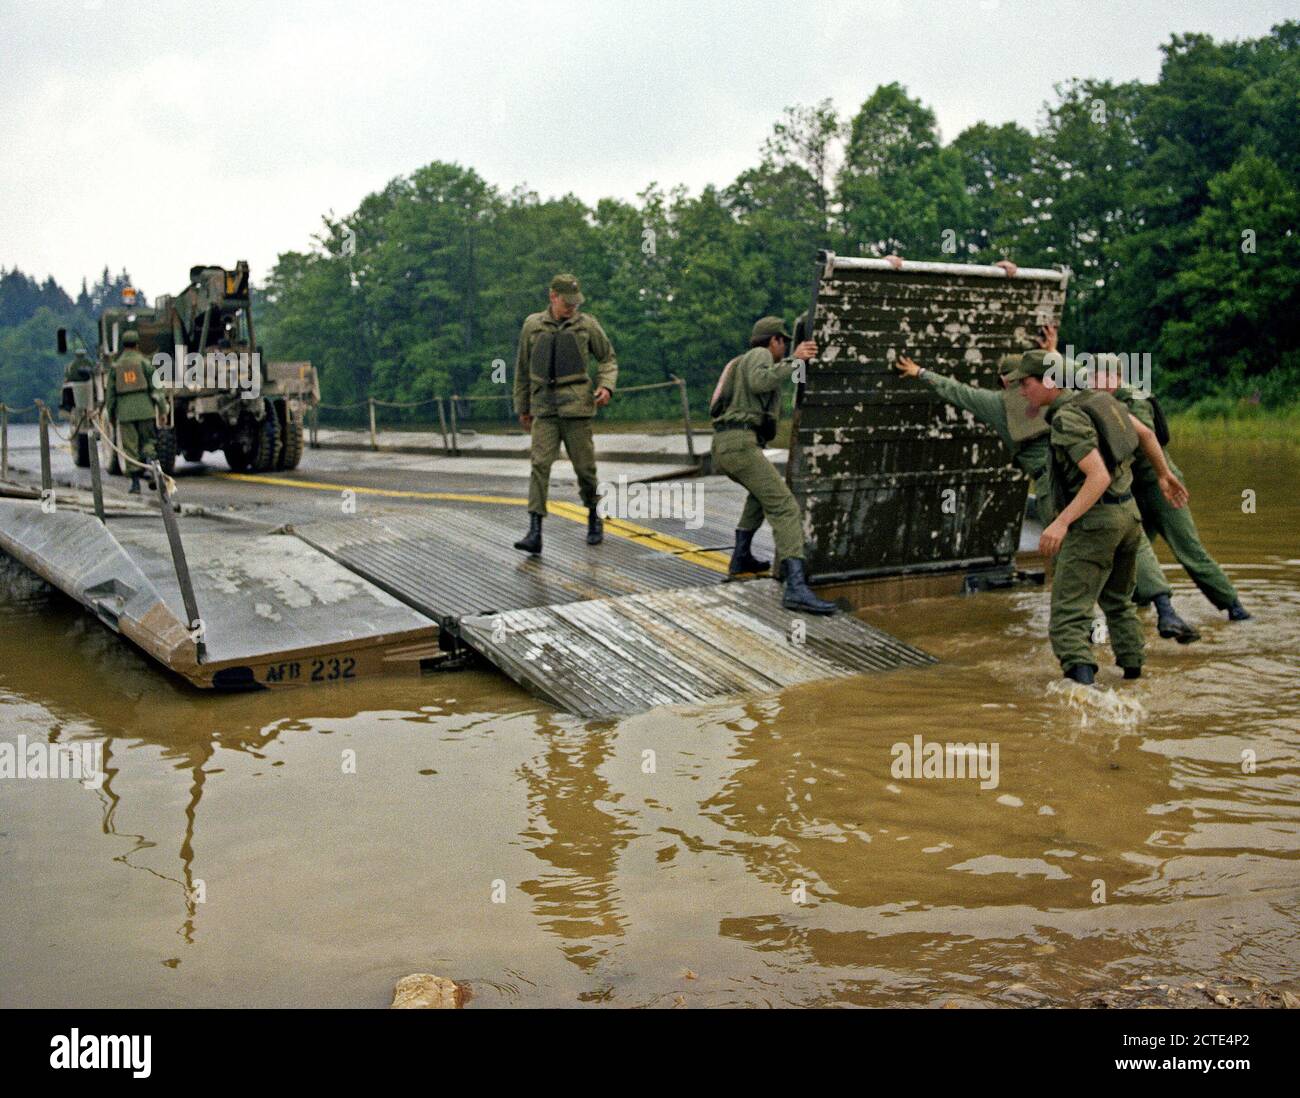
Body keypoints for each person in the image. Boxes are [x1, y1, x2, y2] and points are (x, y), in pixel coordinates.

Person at [894, 325, 1202, 643]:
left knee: (1068, 559)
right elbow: (1094, 385)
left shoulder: (1000, 406)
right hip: (1097, 476)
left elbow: (956, 392)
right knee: (1131, 543)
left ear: (1007, 381)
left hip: (1053, 488)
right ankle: (1165, 610)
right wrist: (1054, 350)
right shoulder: (1069, 394)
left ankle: (1081, 631)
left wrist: (920, 372)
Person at [1006, 351, 1188, 684]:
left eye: (1026, 383)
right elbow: (1147, 435)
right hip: (1128, 517)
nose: (1021, 392)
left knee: (1067, 617)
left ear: (1049, 381)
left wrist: (1061, 522)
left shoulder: (1068, 418)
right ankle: (1134, 678)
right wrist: (1163, 474)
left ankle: (1084, 696)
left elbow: (1098, 476)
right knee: (1119, 603)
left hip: (1095, 522)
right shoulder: (1102, 401)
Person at [1093, 364, 1251, 623]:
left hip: (1161, 486)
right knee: (1132, 549)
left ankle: (1234, 606)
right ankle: (1141, 602)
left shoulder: (1134, 400)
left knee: (1188, 548)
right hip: (1133, 488)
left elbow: (1139, 439)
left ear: (1114, 377)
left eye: (1095, 376)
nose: (1090, 383)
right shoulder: (1105, 399)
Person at [711, 316, 837, 615]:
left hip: (731, 444)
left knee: (759, 495)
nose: (785, 348)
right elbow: (760, 382)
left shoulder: (746, 361)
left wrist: (797, 364)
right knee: (784, 506)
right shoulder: (759, 355)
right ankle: (795, 587)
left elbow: (780, 380)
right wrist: (796, 359)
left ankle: (741, 557)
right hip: (739, 444)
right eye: (784, 343)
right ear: (774, 341)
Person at [511, 274, 617, 554]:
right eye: (566, 302)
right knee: (539, 465)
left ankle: (594, 515)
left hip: (577, 407)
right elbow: (522, 369)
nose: (572, 307)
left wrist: (606, 386)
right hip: (544, 407)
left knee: (585, 469)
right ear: (552, 297)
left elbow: (607, 358)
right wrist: (522, 407)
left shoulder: (587, 325)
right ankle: (535, 530)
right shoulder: (532, 326)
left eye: (575, 302)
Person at [104, 330, 165, 493]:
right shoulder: (144, 363)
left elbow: (110, 395)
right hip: (146, 410)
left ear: (123, 346)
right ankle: (153, 473)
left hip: (125, 413)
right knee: (149, 442)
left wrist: (111, 414)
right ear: (137, 344)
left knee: (130, 447)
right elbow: (157, 388)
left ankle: (135, 483)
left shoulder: (116, 366)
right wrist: (163, 409)